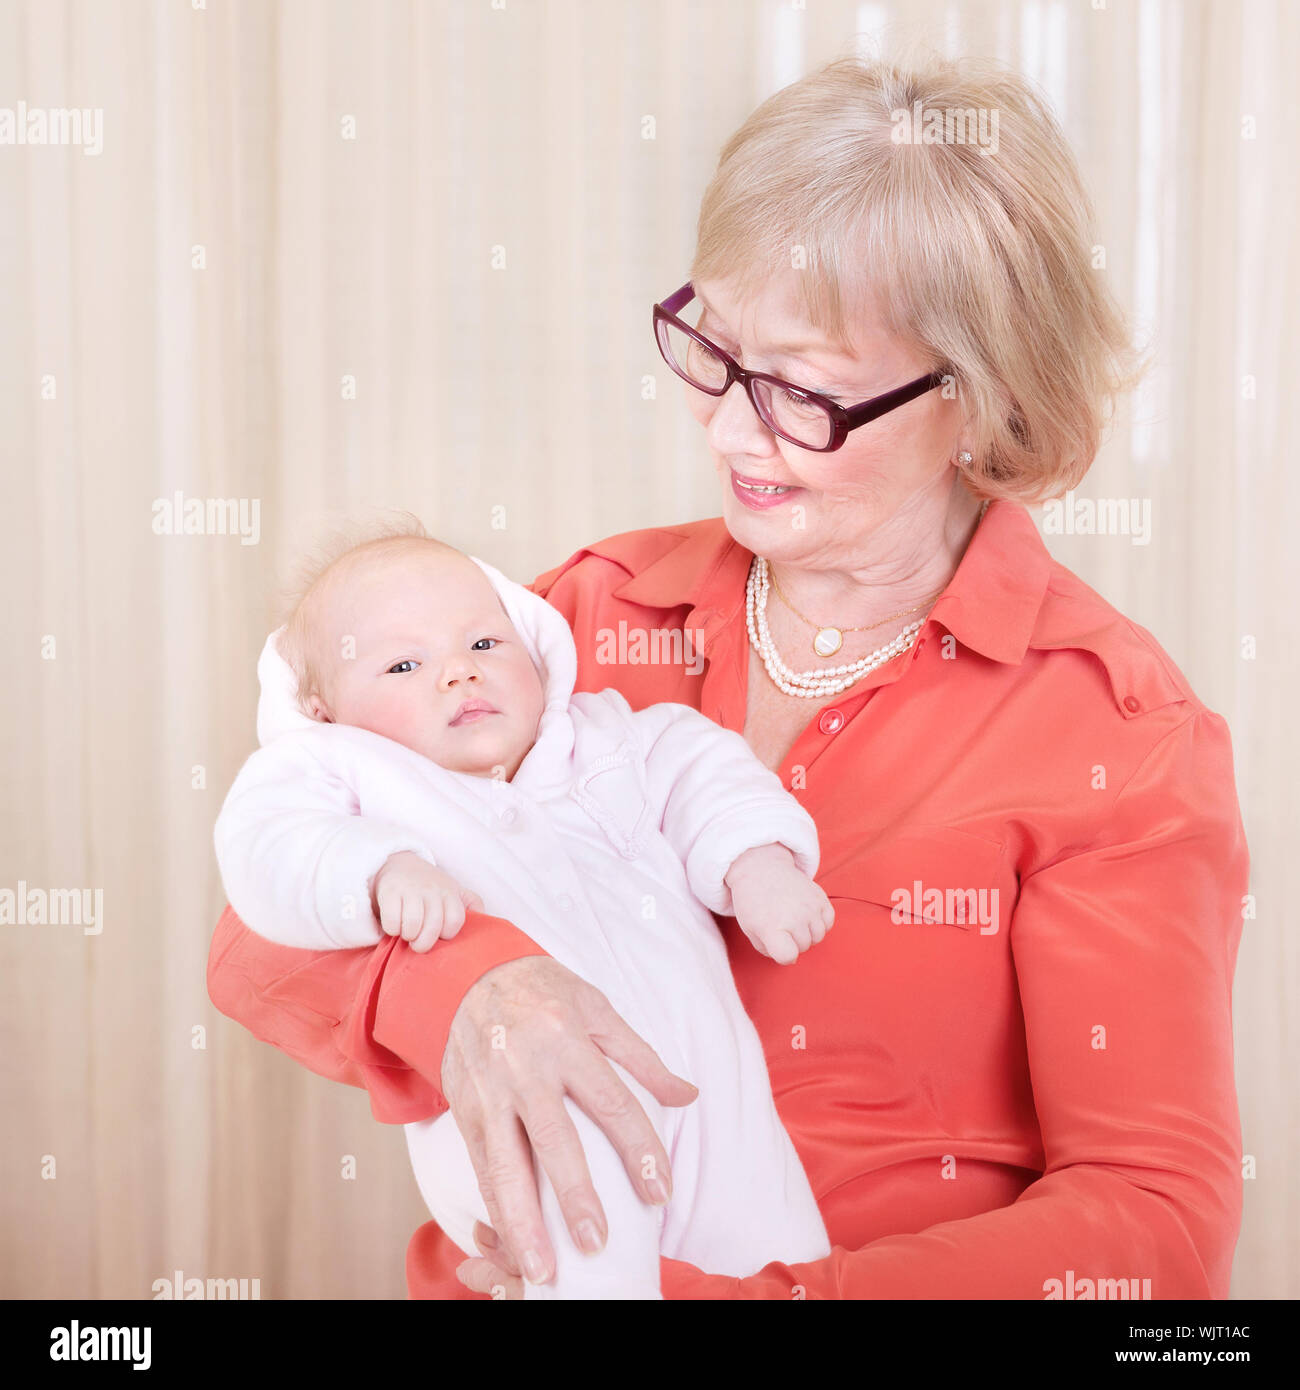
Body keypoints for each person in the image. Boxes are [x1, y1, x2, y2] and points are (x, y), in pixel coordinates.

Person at [207, 52, 1248, 1299]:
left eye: (802, 391)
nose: (727, 428)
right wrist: (462, 989)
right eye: (716, 350)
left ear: (975, 400)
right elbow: (259, 929)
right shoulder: (578, 617)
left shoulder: (1112, 733)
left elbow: (1151, 1225)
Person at [212, 524, 833, 1298]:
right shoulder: (344, 771)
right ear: (325, 708)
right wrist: (372, 872)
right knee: (582, 1221)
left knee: (786, 1246)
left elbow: (700, 768)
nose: (458, 677)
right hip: (531, 1099)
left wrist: (754, 860)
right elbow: (263, 845)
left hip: (712, 1099)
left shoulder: (605, 740)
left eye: (483, 644)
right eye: (404, 664)